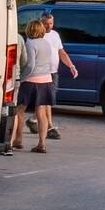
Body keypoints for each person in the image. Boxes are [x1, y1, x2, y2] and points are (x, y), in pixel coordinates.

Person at [11, 19, 57, 154]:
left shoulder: (30, 43)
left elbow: (30, 64)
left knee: (20, 110)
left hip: (31, 80)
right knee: (41, 112)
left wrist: (23, 78)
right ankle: (42, 144)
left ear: (30, 29)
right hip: (46, 80)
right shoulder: (47, 44)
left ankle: (17, 139)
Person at [28, 11, 76, 139]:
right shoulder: (38, 36)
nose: (49, 26)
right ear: (41, 22)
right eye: (46, 23)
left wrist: (71, 66)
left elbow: (61, 52)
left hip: (53, 72)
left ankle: (33, 120)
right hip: (43, 73)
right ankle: (49, 127)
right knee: (46, 100)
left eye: (51, 23)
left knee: (48, 100)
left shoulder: (55, 35)